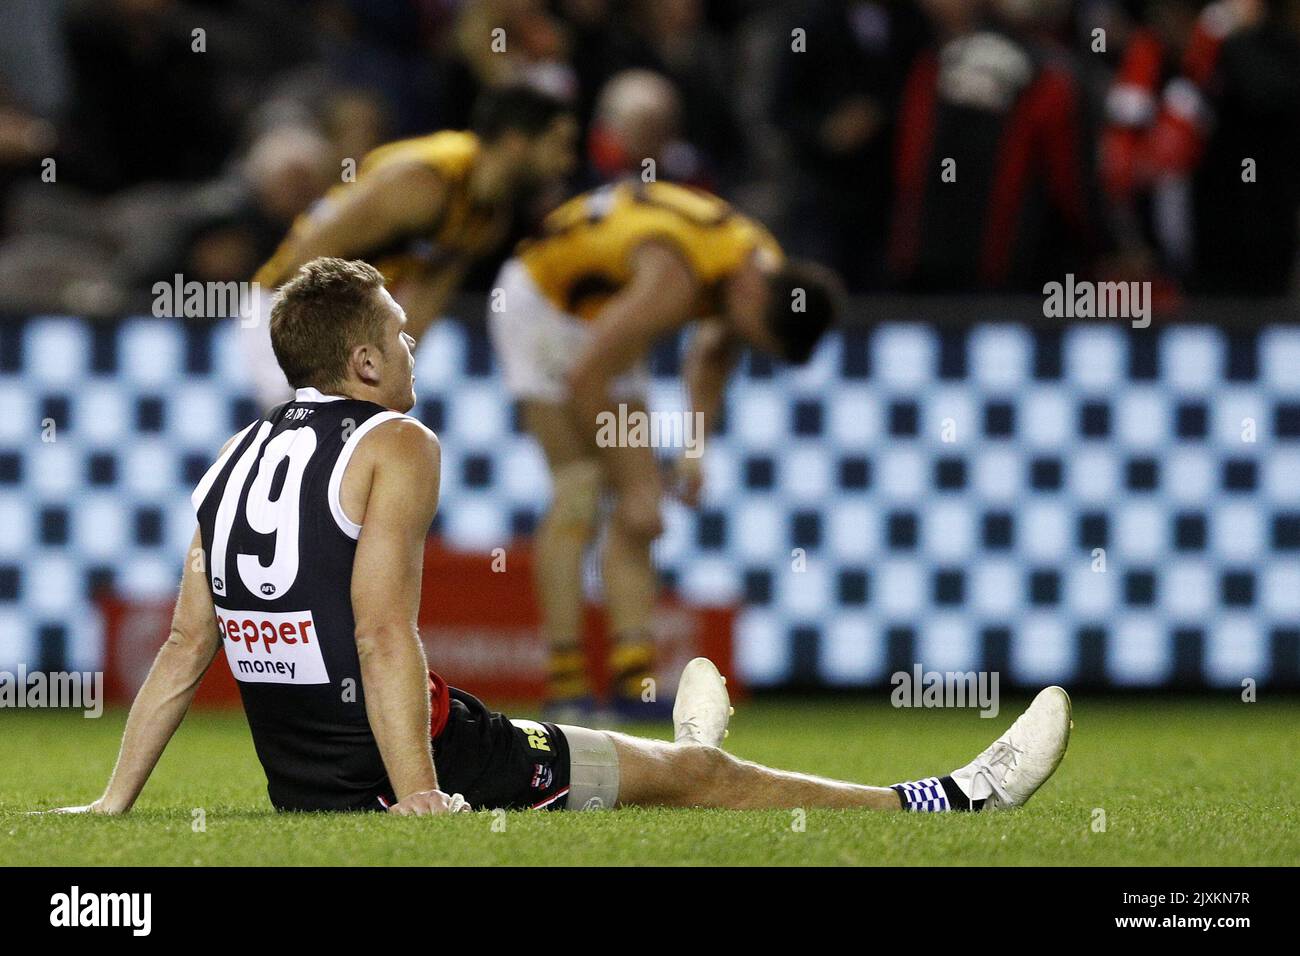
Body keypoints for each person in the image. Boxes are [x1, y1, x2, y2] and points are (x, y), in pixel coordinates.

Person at [45, 257, 1072, 817]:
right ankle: (944, 797)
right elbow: (380, 634)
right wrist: (420, 797)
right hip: (429, 751)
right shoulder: (397, 439)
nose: (413, 342)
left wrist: (111, 803)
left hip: (304, 783)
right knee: (700, 784)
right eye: (399, 331)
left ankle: (674, 750)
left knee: (650, 772)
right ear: (362, 362)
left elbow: (188, 646)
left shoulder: (230, 455)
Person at [486, 180, 810, 721]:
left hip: (603, 317)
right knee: (581, 485)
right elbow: (587, 374)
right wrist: (633, 475)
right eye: (756, 336)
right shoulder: (676, 278)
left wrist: (692, 450)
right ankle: (566, 682)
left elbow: (712, 356)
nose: (746, 341)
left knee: (643, 508)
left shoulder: (761, 268)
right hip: (542, 305)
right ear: (755, 296)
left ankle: (632, 678)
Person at [244, 85, 578, 406]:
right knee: (301, 440)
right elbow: (311, 254)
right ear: (516, 142)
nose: (567, 162)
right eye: (559, 145)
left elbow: (425, 299)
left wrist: (392, 374)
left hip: (349, 329)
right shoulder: (424, 181)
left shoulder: (492, 217)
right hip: (286, 306)